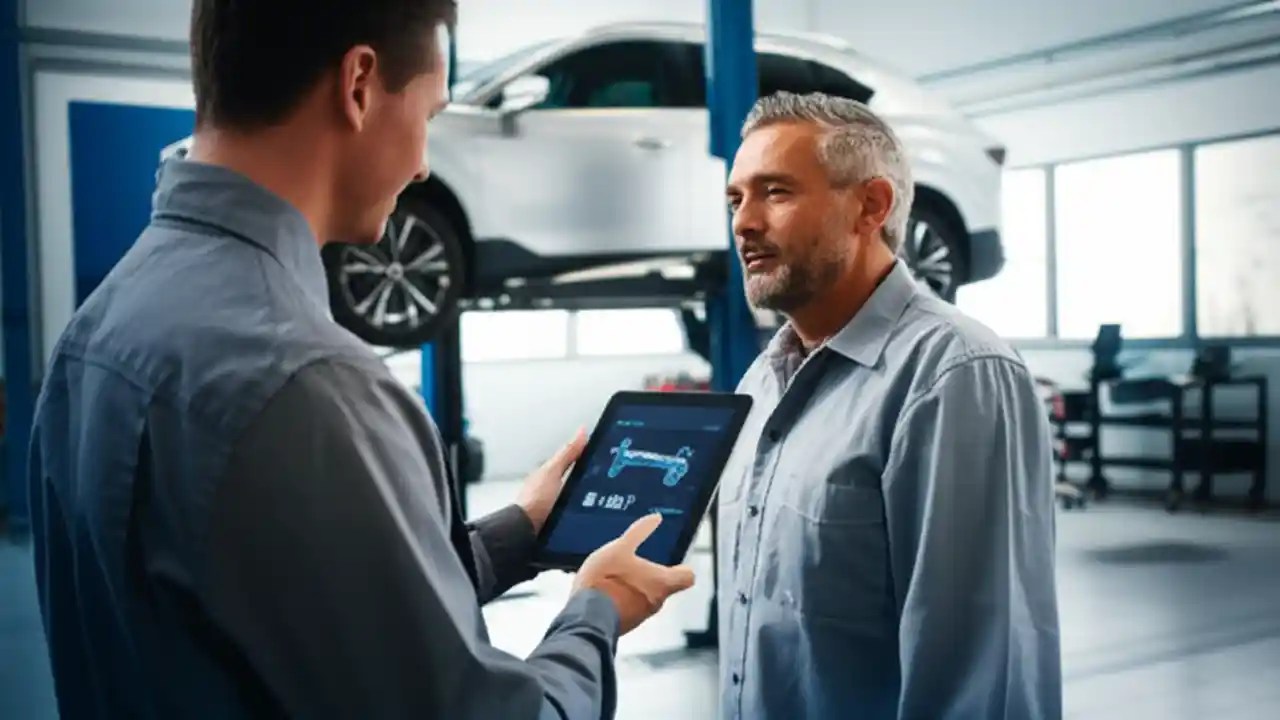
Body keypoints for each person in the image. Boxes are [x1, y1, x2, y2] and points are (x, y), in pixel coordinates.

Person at [27, 1, 694, 718]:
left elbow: (298, 609)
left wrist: (521, 530)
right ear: (359, 85)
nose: (422, 163)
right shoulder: (314, 388)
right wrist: (595, 612)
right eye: (430, 116)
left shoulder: (92, 335)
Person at [717, 91, 1061, 719]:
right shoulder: (761, 383)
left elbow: (984, 677)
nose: (743, 222)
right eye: (736, 199)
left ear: (870, 206)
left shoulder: (953, 375)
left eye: (776, 192)